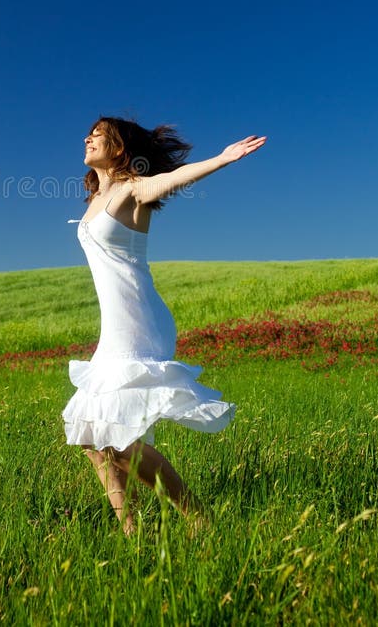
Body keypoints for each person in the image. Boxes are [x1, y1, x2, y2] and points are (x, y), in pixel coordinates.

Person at [63, 116, 267, 535]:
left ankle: (198, 519)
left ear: (119, 148)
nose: (87, 138)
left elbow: (171, 179)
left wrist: (223, 159)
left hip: (138, 322)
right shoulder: (94, 200)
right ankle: (132, 532)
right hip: (115, 326)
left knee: (119, 442)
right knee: (91, 436)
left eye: (97, 135)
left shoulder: (131, 190)